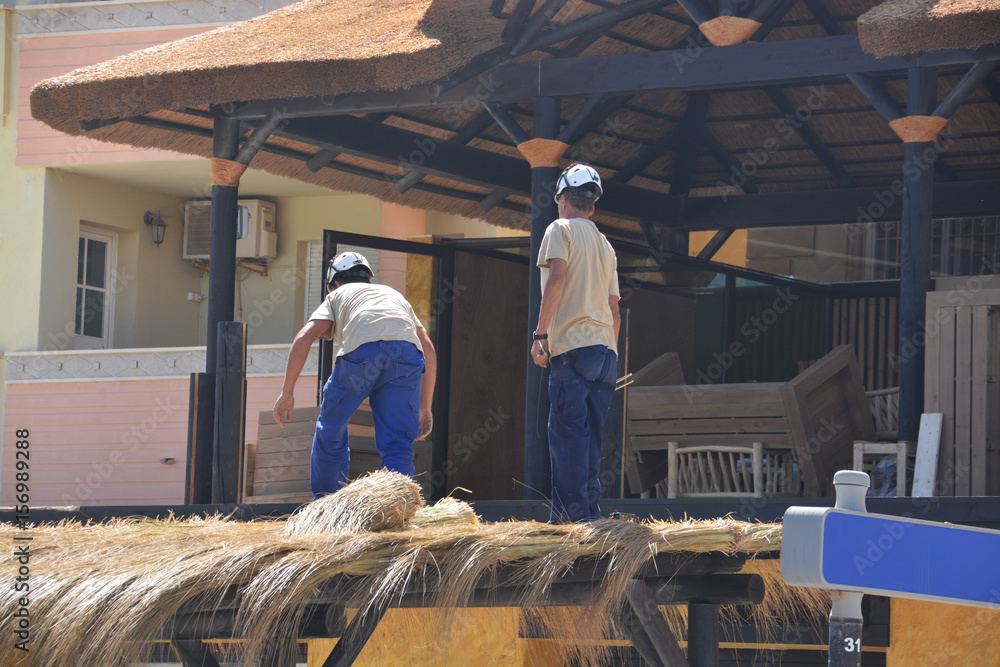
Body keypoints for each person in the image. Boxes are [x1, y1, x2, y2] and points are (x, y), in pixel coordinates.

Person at [273, 251, 436, 498]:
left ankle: (327, 505)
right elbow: (429, 349)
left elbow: (304, 338)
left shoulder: (338, 295)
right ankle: (398, 505)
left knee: (332, 427)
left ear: (336, 282)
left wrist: (287, 392)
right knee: (398, 443)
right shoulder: (394, 295)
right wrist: (425, 406)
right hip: (406, 354)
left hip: (362, 353)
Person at [530, 163, 621, 523]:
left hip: (572, 349)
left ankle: (570, 523)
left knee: (568, 438)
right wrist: (610, 351)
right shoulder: (606, 245)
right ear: (593, 207)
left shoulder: (560, 229)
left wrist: (541, 335)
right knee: (592, 441)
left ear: (562, 200)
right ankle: (591, 517)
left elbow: (557, 278)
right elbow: (615, 308)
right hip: (604, 353)